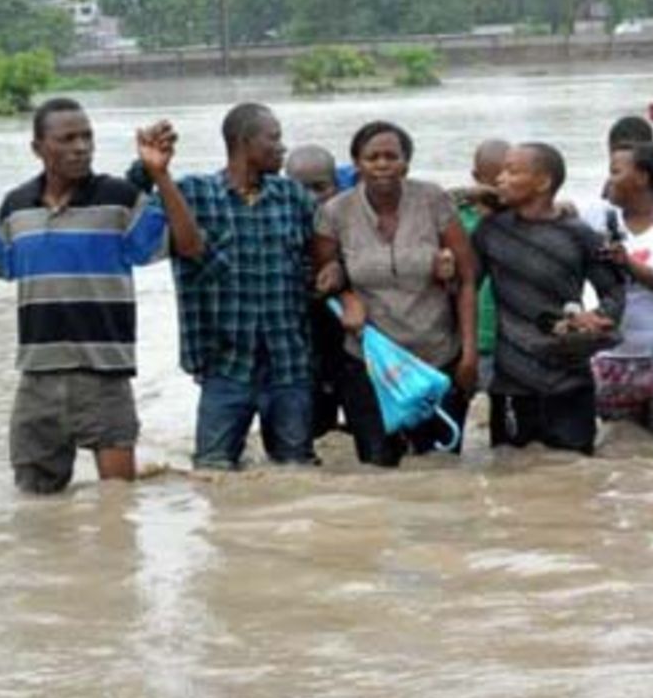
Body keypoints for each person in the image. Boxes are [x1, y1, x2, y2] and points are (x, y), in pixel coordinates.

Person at [0, 99, 196, 493]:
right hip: (37, 378)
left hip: (104, 374)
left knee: (118, 504)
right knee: (35, 507)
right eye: (67, 139)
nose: (81, 147)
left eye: (87, 137)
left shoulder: (118, 198)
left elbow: (188, 245)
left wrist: (160, 176)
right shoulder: (16, 206)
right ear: (38, 148)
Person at [153, 102, 318, 470]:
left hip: (288, 363)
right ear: (244, 142)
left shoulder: (293, 197)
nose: (282, 147)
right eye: (273, 138)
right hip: (225, 366)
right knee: (212, 473)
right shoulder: (193, 194)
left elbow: (332, 236)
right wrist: (153, 169)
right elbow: (129, 211)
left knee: (298, 473)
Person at [312, 121, 477, 467]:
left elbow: (466, 279)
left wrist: (469, 355)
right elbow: (325, 276)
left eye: (392, 156)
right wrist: (348, 299)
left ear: (406, 163)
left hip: (435, 359)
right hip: (370, 363)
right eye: (372, 157)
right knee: (379, 470)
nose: (382, 164)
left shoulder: (433, 200)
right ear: (356, 163)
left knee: (440, 468)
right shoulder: (335, 213)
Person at [472, 143, 625, 456]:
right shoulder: (490, 232)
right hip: (511, 381)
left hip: (570, 378)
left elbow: (614, 291)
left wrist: (598, 316)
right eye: (501, 171)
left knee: (574, 477)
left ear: (543, 182)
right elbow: (465, 287)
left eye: (512, 171)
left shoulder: (580, 234)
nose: (500, 178)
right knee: (511, 477)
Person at [591, 142, 653, 427]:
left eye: (615, 171)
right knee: (617, 453)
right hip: (610, 359)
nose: (608, 179)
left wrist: (629, 265)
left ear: (642, 177)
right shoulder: (596, 217)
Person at [284, 144, 352, 440]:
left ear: (337, 186)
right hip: (301, 349)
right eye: (301, 188)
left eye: (320, 187)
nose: (311, 197)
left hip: (351, 340)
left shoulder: (356, 217)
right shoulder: (274, 221)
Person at [453, 138, 510, 391]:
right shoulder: (457, 217)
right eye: (495, 181)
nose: (502, 188)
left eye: (510, 176)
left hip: (511, 340)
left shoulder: (522, 216)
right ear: (477, 177)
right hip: (470, 337)